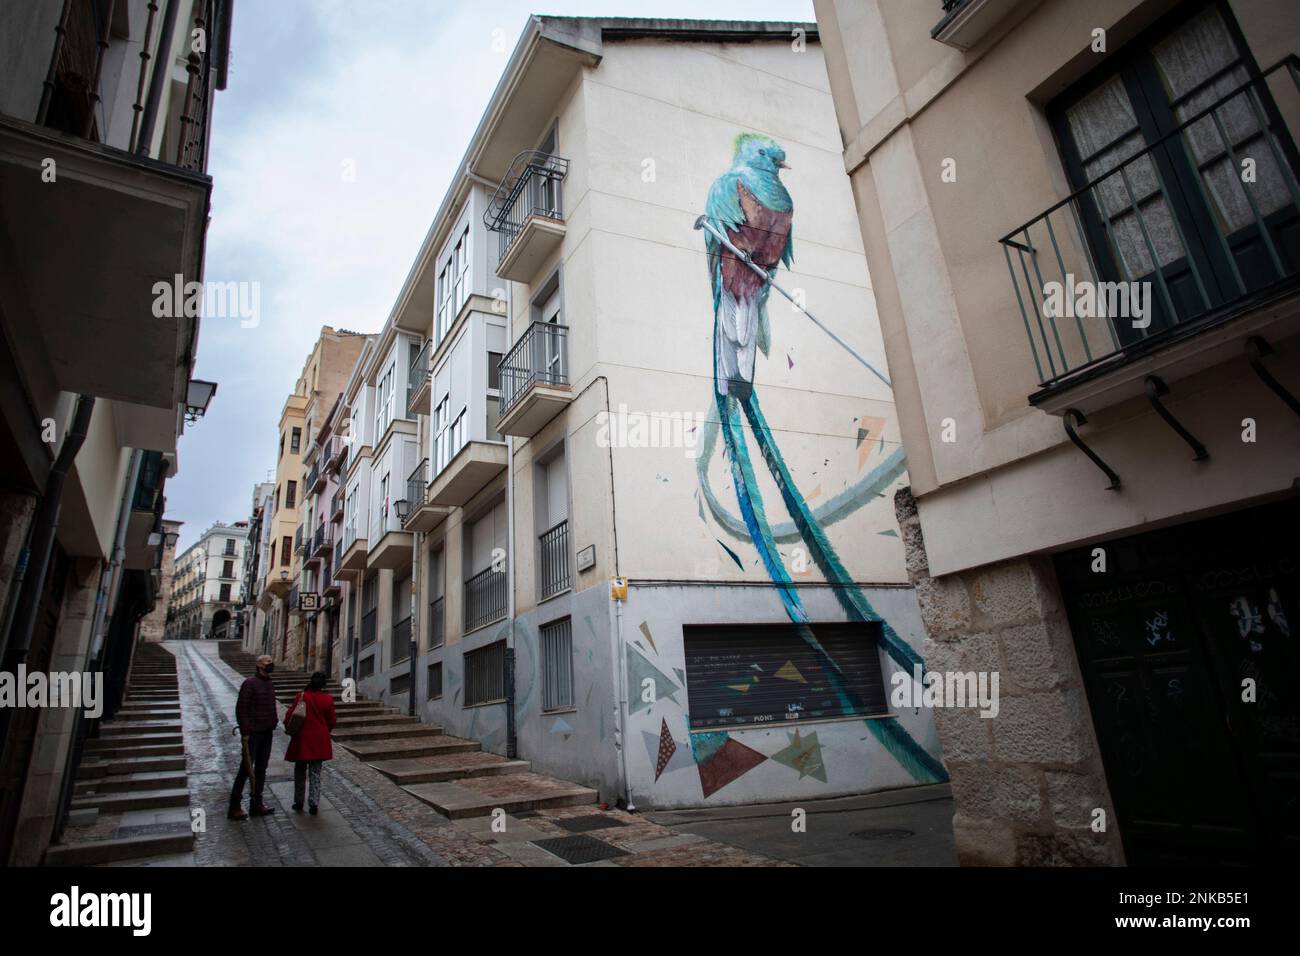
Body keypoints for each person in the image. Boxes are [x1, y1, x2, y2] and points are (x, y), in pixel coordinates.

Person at [229, 654, 279, 820]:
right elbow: (241, 708)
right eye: (267, 662)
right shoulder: (249, 683)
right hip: (253, 733)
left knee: (261, 769)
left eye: (271, 661)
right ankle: (235, 805)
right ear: (259, 665)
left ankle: (257, 803)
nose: (270, 664)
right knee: (246, 769)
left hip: (267, 731)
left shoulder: (269, 683)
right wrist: (245, 731)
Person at [284, 671, 336, 815]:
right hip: (319, 740)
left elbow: (289, 715)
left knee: (300, 772)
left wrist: (289, 728)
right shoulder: (328, 700)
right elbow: (332, 721)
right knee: (315, 773)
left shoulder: (302, 696)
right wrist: (325, 730)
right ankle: (314, 803)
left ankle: (298, 801)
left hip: (302, 739)